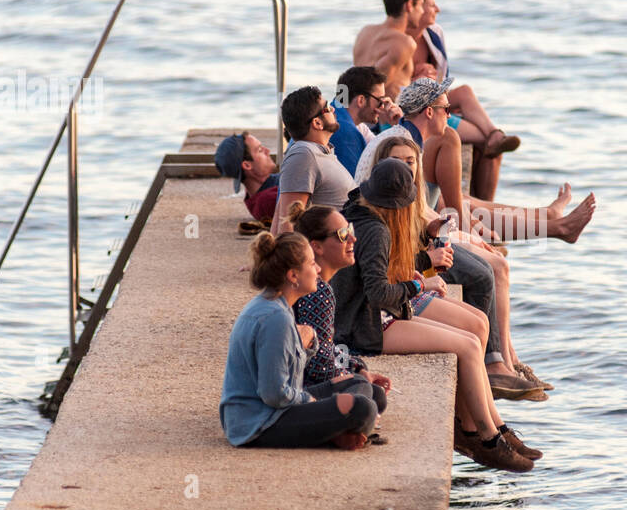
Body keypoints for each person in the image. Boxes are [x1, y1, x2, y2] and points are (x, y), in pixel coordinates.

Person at [331, 159, 541, 471]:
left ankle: (489, 426)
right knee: (468, 346)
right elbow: (378, 293)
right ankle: (485, 438)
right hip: (364, 324)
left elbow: (379, 275)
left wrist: (418, 264)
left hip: (367, 313)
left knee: (473, 332)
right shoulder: (375, 231)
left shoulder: (360, 214)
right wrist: (416, 284)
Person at [367, 134, 553, 397]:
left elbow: (409, 251)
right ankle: (490, 404)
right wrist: (423, 277)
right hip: (391, 309)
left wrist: (432, 238)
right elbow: (387, 275)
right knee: (479, 301)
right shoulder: (380, 213)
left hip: (408, 289)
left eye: (410, 161)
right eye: (396, 161)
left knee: (479, 320)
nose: (405, 168)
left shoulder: (410, 200)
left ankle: (499, 383)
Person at [383, 76, 597, 245]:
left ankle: (549, 217)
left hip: (412, 216)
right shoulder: (410, 145)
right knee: (462, 206)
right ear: (429, 112)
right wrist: (471, 237)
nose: (450, 116)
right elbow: (431, 213)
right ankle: (558, 228)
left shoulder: (401, 137)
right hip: (410, 232)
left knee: (464, 203)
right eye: (447, 110)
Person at [219, 231, 382, 450]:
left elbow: (287, 373)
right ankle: (338, 431)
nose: (318, 269)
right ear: (293, 276)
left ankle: (340, 430)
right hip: (261, 423)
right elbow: (274, 394)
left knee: (362, 385)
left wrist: (309, 343)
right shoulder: (275, 318)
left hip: (271, 410)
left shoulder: (274, 306)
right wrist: (311, 401)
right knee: (364, 408)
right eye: (312, 263)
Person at [407, 0, 519, 201]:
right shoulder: (402, 43)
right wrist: (416, 81)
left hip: (437, 100)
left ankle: (495, 138)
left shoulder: (434, 34)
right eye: (431, 5)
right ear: (416, 7)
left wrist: (432, 80)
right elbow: (399, 93)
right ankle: (493, 137)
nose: (437, 9)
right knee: (486, 142)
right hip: (422, 109)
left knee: (465, 91)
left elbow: (444, 81)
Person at [288, 202, 393, 415]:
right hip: (298, 389)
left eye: (351, 231)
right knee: (365, 392)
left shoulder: (314, 285)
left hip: (300, 382)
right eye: (343, 234)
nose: (353, 239)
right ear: (317, 247)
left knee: (373, 393)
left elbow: (324, 348)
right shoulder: (317, 291)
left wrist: (357, 367)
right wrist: (350, 377)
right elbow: (318, 366)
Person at [271, 86, 357, 234]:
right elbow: (286, 224)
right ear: (317, 123)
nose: (334, 110)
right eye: (327, 108)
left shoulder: (319, 152)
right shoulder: (304, 154)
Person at [352, 0, 427, 99]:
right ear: (409, 5)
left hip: (359, 108)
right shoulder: (404, 43)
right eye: (420, 5)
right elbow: (371, 91)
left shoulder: (365, 32)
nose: (422, 11)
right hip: (390, 115)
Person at [327, 65, 404, 177]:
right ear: (361, 100)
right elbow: (355, 186)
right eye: (380, 100)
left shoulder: (340, 113)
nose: (382, 107)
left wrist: (398, 125)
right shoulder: (344, 130)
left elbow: (383, 151)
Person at [214, 131, 280, 223]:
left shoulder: (263, 188)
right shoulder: (268, 201)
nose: (267, 151)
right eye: (260, 150)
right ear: (247, 165)